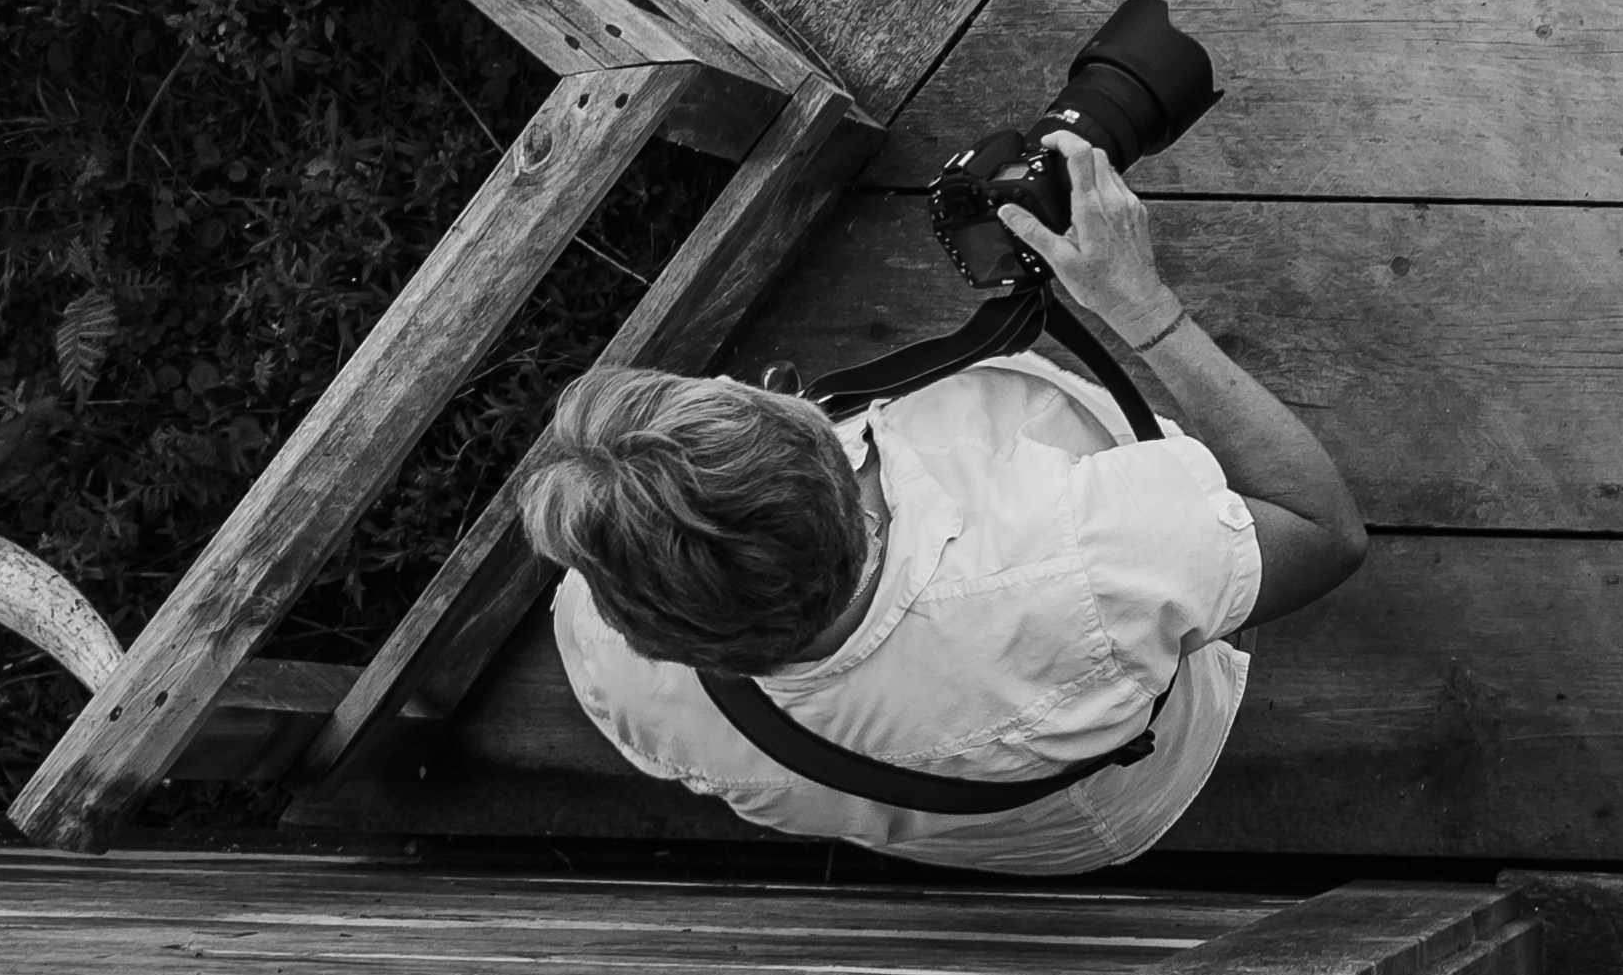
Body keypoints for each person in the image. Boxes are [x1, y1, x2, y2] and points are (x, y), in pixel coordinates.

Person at [516, 132, 1366, 873]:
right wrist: (1140, 306)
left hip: (991, 827)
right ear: (839, 488)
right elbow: (1323, 531)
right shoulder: (1072, 558)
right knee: (1208, 538)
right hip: (1152, 771)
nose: (750, 381)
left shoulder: (600, 636)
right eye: (763, 398)